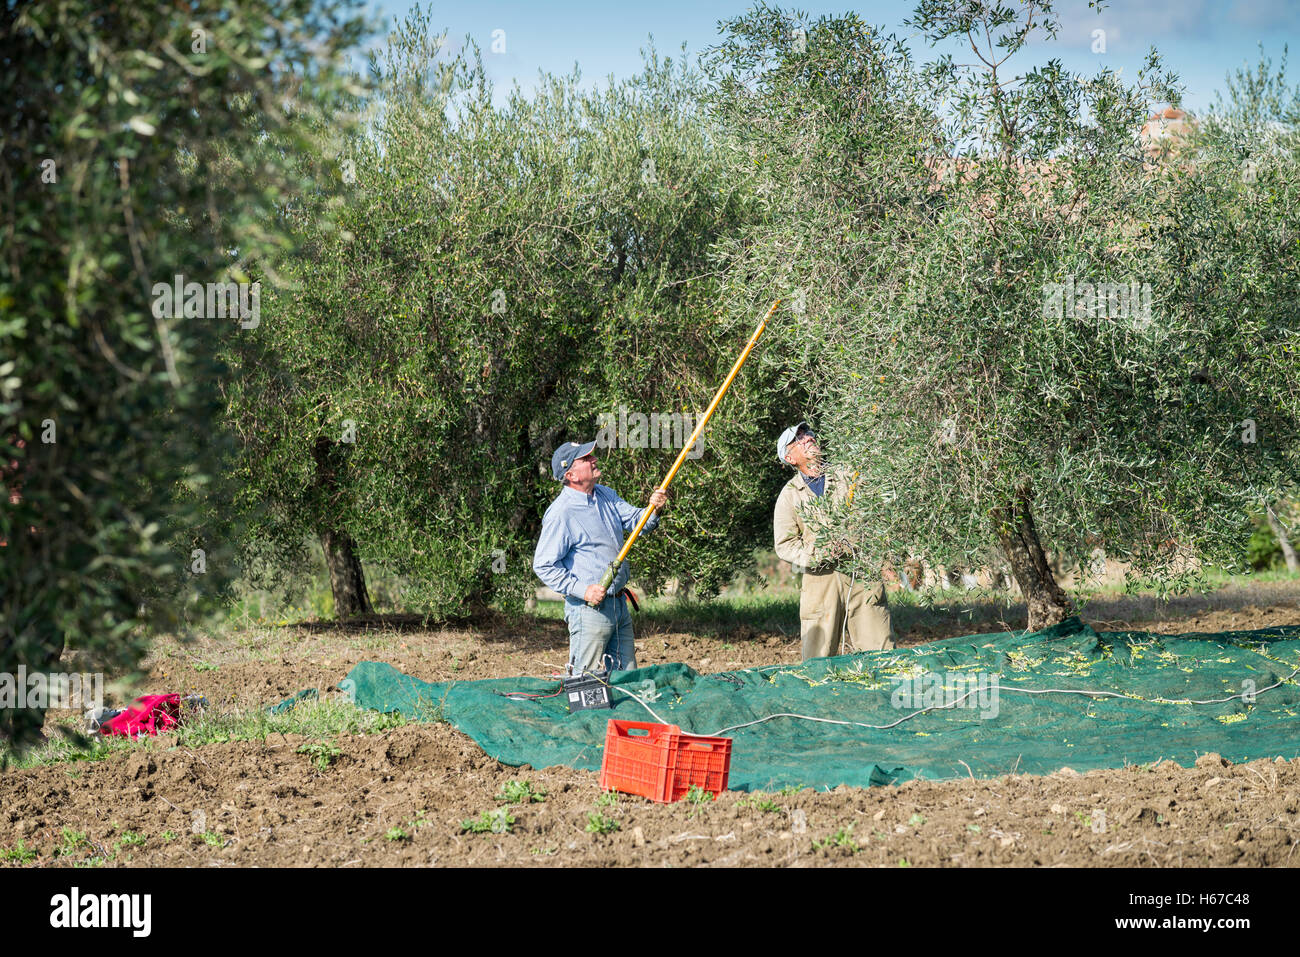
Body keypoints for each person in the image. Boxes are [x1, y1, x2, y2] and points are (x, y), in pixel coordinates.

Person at [533, 439, 668, 675]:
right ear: (571, 475)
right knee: (586, 684)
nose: (594, 459)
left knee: (627, 679)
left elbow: (638, 522)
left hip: (618, 606)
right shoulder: (561, 512)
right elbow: (543, 565)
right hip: (588, 612)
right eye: (586, 459)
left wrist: (653, 509)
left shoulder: (605, 494)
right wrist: (583, 590)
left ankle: (622, 713)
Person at [773, 422, 894, 660]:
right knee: (817, 661)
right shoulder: (788, 496)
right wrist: (818, 553)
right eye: (797, 438)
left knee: (881, 654)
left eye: (807, 434)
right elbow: (784, 545)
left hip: (862, 573)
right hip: (820, 581)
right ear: (789, 457)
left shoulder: (850, 474)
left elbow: (879, 509)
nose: (806, 438)